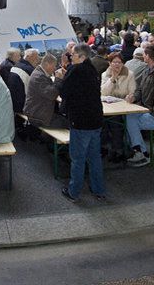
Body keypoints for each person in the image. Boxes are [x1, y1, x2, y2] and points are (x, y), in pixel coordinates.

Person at [58, 44, 105, 202]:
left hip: (80, 120)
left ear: (81, 56)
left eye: (73, 55)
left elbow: (64, 91)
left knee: (78, 158)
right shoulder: (92, 70)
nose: (71, 57)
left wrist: (60, 78)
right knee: (94, 157)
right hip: (96, 119)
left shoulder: (75, 70)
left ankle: (74, 191)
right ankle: (98, 190)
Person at [23, 53, 68, 128]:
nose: (55, 69)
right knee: (71, 124)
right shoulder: (39, 77)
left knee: (64, 117)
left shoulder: (39, 73)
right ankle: (45, 139)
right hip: (38, 116)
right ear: (47, 64)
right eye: (54, 66)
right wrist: (58, 79)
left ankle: (45, 139)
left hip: (37, 112)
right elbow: (52, 95)